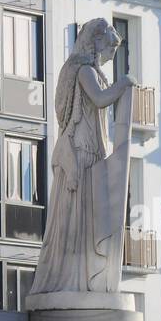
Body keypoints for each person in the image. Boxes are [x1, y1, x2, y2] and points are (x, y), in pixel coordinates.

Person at [29, 17, 136, 300]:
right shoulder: (84, 71)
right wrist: (124, 83)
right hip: (82, 150)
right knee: (77, 215)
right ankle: (72, 277)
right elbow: (101, 99)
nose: (111, 55)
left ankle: (82, 276)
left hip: (91, 148)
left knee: (85, 216)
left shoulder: (91, 70)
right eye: (110, 49)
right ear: (97, 42)